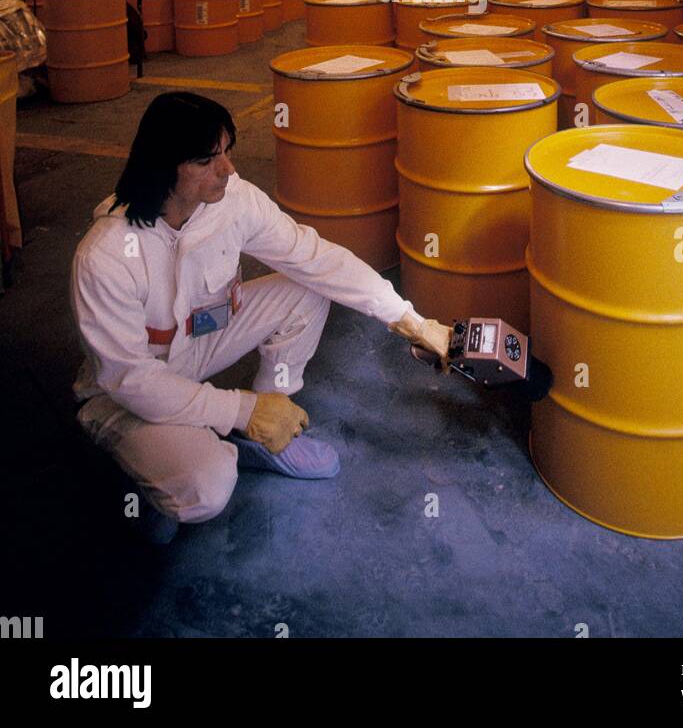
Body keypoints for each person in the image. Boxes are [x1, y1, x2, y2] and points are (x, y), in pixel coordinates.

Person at [70, 91, 451, 544]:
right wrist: (241, 409)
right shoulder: (107, 255)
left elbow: (315, 258)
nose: (228, 169)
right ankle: (143, 463)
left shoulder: (233, 202)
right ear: (165, 166)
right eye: (208, 160)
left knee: (304, 287)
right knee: (205, 488)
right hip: (124, 394)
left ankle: (265, 431)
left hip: (195, 346)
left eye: (227, 151)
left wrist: (409, 319)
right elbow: (131, 380)